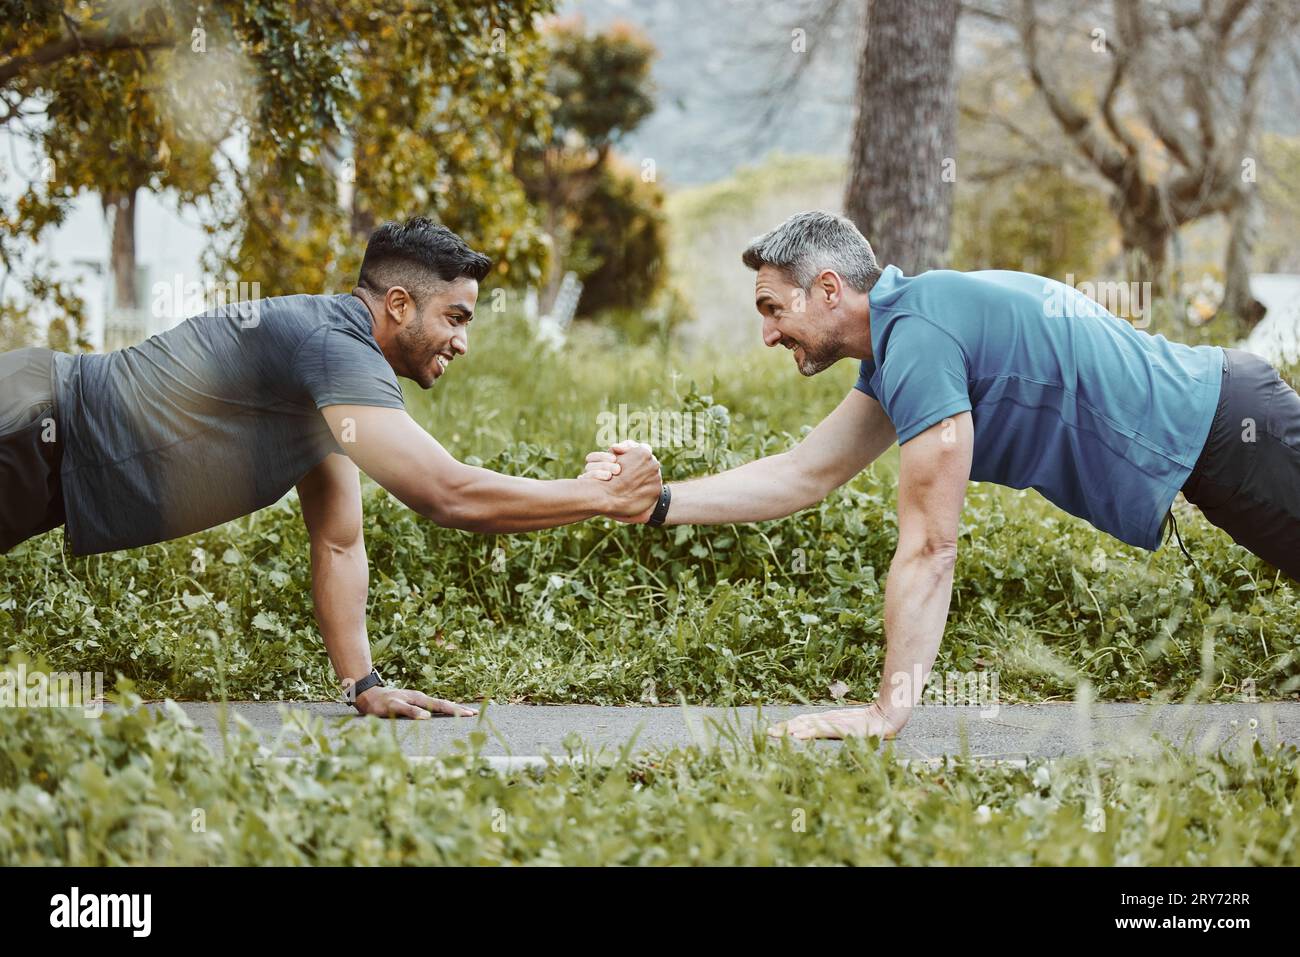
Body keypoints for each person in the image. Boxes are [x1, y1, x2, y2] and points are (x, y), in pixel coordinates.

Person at [583, 209, 1300, 741]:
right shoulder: (902, 340)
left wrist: (888, 710)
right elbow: (803, 474)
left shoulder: (920, 339)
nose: (768, 333)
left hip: (1234, 432)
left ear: (828, 289)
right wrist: (659, 502)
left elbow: (931, 544)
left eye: (774, 308)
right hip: (1225, 430)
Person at [0, 216, 662, 719]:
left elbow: (339, 540)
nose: (463, 340)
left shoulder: (330, 374)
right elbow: (445, 492)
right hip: (27, 425)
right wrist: (599, 496)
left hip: (36, 440)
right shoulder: (334, 347)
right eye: (455, 317)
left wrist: (364, 684)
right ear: (399, 305)